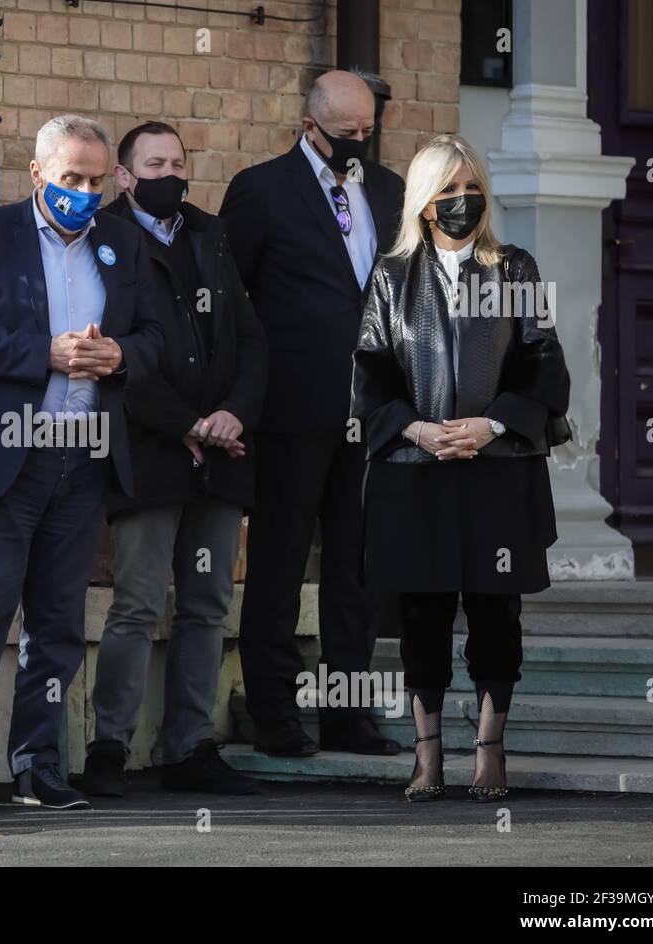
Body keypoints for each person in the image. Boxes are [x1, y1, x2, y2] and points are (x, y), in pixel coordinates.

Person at [0, 115, 163, 814]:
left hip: (86, 456)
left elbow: (156, 335)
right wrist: (45, 354)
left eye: (96, 181)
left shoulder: (123, 241)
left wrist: (119, 356)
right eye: (71, 179)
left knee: (58, 627)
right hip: (9, 453)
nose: (85, 193)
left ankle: (38, 765)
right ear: (37, 174)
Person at [351, 134, 570, 802]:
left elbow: (544, 362)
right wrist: (419, 429)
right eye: (445, 190)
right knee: (422, 615)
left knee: (495, 615)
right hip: (416, 469)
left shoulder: (514, 268)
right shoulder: (391, 278)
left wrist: (491, 424)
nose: (460, 200)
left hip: (496, 470)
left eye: (469, 186)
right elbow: (370, 371)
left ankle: (489, 750)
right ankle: (426, 757)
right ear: (422, 201)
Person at [219, 70, 405, 756]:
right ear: (309, 127)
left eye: (367, 131)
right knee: (279, 562)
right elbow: (230, 301)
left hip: (372, 412)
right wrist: (235, 400)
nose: (359, 142)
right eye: (345, 133)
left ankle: (346, 713)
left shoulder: (388, 191)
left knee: (357, 569)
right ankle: (275, 713)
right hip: (291, 411)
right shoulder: (261, 190)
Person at [81, 121, 266, 797]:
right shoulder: (103, 238)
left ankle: (190, 747)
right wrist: (182, 421)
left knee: (207, 604)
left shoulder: (208, 233)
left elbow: (250, 340)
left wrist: (231, 416)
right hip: (148, 449)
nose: (170, 174)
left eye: (179, 162)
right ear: (124, 177)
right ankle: (110, 746)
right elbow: (111, 352)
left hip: (222, 450)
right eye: (154, 164)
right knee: (135, 602)